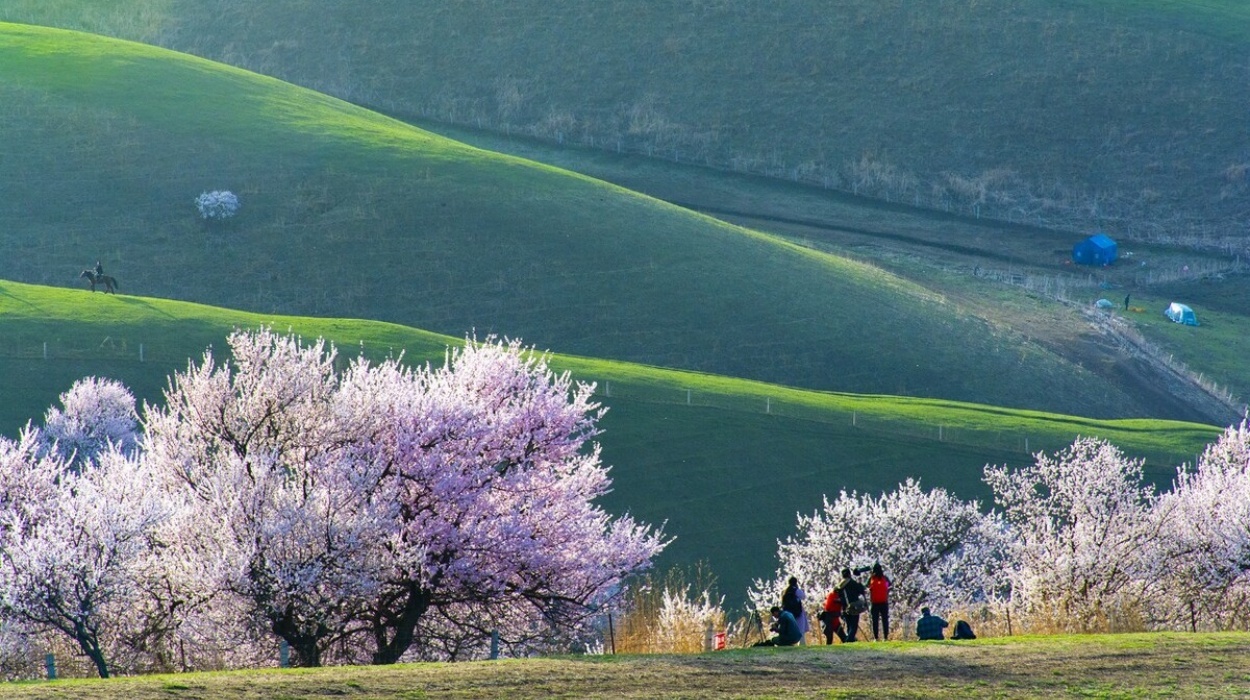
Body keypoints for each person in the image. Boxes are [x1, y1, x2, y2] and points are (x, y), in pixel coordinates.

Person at [836, 567, 867, 643]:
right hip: (853, 607)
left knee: (849, 625)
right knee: (854, 626)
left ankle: (850, 639)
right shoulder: (852, 583)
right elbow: (861, 590)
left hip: (844, 608)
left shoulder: (839, 585)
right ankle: (849, 640)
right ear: (849, 574)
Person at [781, 576, 808, 644]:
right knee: (800, 628)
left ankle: (788, 643)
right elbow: (803, 596)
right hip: (798, 612)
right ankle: (802, 643)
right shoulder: (796, 590)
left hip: (788, 612)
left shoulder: (785, 591)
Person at [867, 563, 891, 641]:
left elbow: (866, 586)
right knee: (885, 620)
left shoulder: (871, 578)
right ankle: (886, 637)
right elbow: (889, 585)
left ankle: (876, 638)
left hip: (874, 603)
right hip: (884, 602)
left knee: (875, 621)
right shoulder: (885, 578)